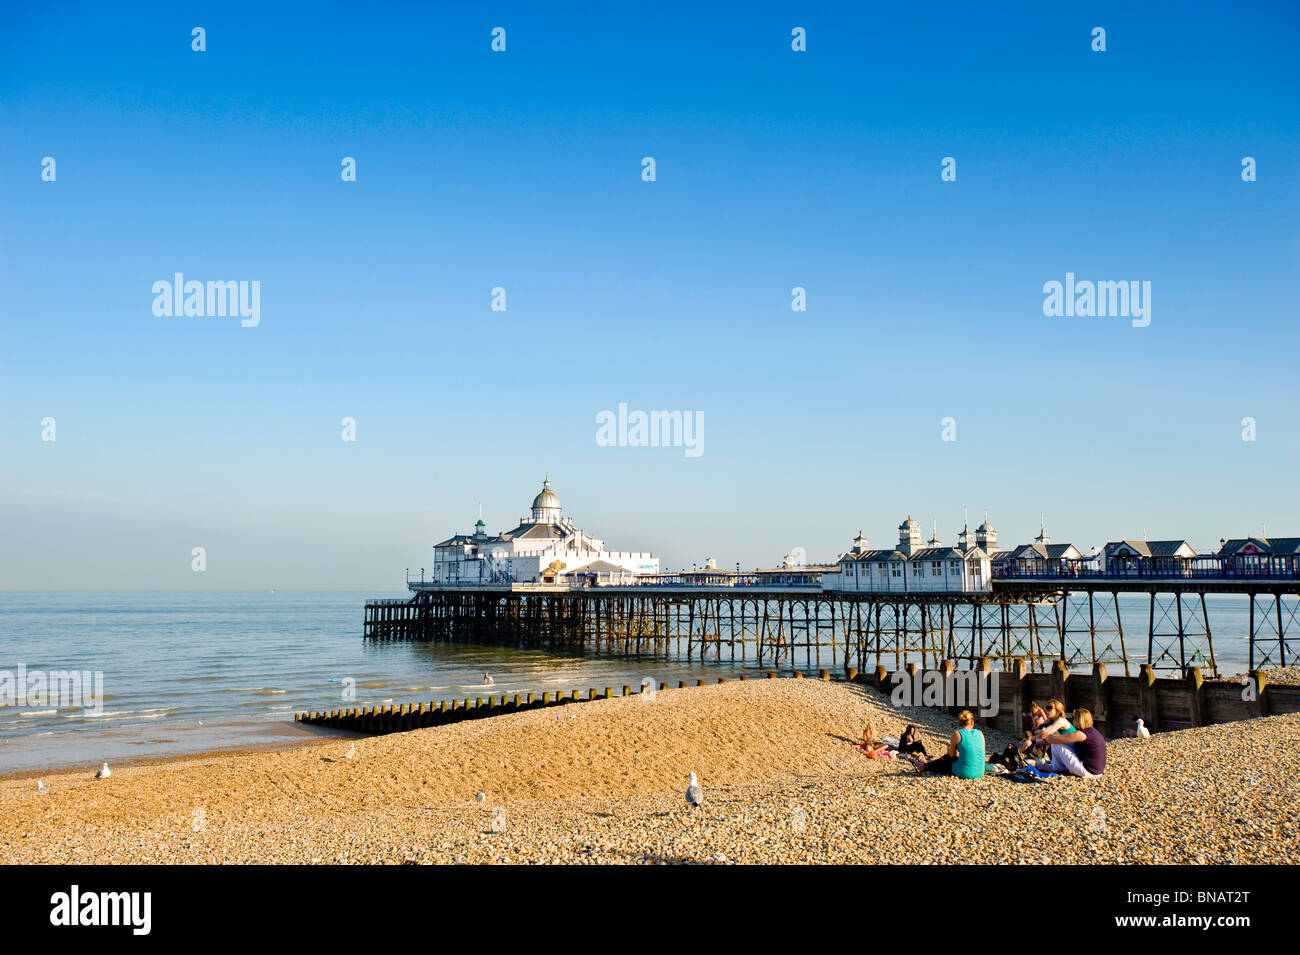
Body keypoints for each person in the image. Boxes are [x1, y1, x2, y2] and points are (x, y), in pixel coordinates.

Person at [1030, 707, 1105, 778]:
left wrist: (1045, 737)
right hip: (1096, 771)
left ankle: (1058, 768)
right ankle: (1057, 767)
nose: (1072, 720)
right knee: (1058, 741)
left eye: (1073, 718)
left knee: (1056, 742)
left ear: (1078, 719)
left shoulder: (1081, 734)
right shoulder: (1092, 732)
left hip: (1089, 772)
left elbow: (1052, 739)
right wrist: (1047, 741)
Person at [910, 711, 984, 778]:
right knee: (953, 759)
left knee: (946, 759)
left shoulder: (958, 734)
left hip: (964, 772)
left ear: (959, 722)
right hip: (980, 772)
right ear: (972, 722)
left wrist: (950, 751)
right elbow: (979, 753)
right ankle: (925, 765)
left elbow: (951, 756)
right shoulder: (980, 733)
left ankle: (924, 766)